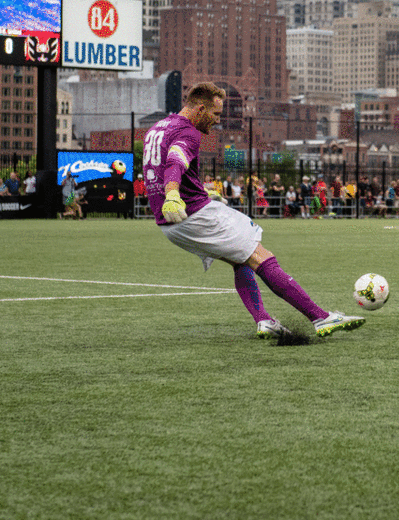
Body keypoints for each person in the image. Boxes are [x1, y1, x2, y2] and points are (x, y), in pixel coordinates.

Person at [144, 81, 364, 339]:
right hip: (193, 213)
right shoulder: (189, 132)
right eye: (215, 114)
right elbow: (174, 163)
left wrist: (198, 190)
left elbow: (161, 169)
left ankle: (264, 320)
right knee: (260, 254)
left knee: (242, 258)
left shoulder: (158, 127)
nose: (217, 121)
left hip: (170, 223)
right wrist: (173, 194)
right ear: (200, 109)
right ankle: (321, 318)